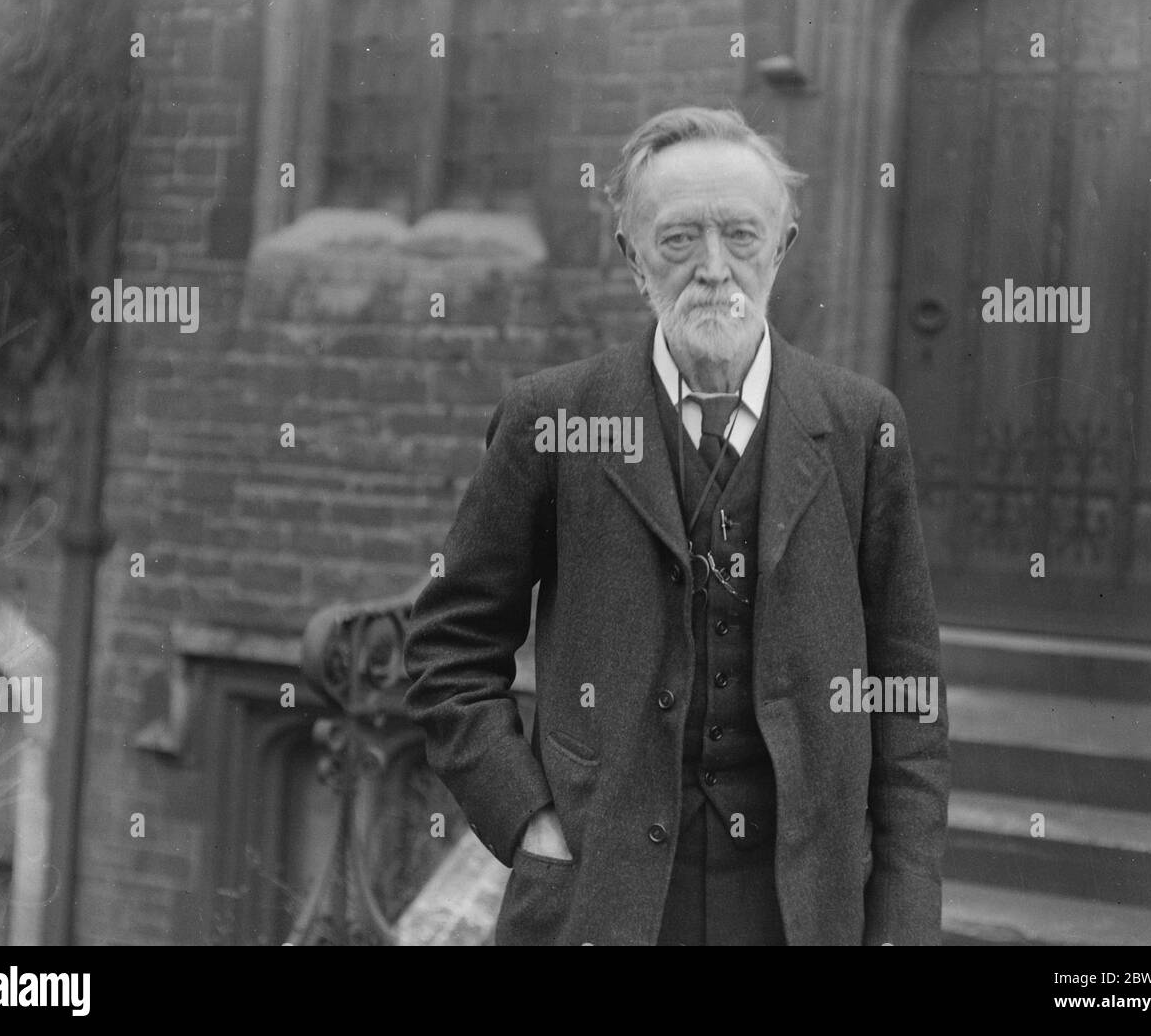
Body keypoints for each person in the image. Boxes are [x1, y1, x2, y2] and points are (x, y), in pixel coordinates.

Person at [403, 106, 949, 946]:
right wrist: (530, 825)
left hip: (798, 910)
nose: (715, 270)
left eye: (741, 235)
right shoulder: (555, 418)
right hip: (601, 896)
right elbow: (445, 648)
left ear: (784, 246)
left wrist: (903, 922)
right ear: (632, 259)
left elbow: (906, 696)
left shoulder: (860, 426)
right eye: (679, 240)